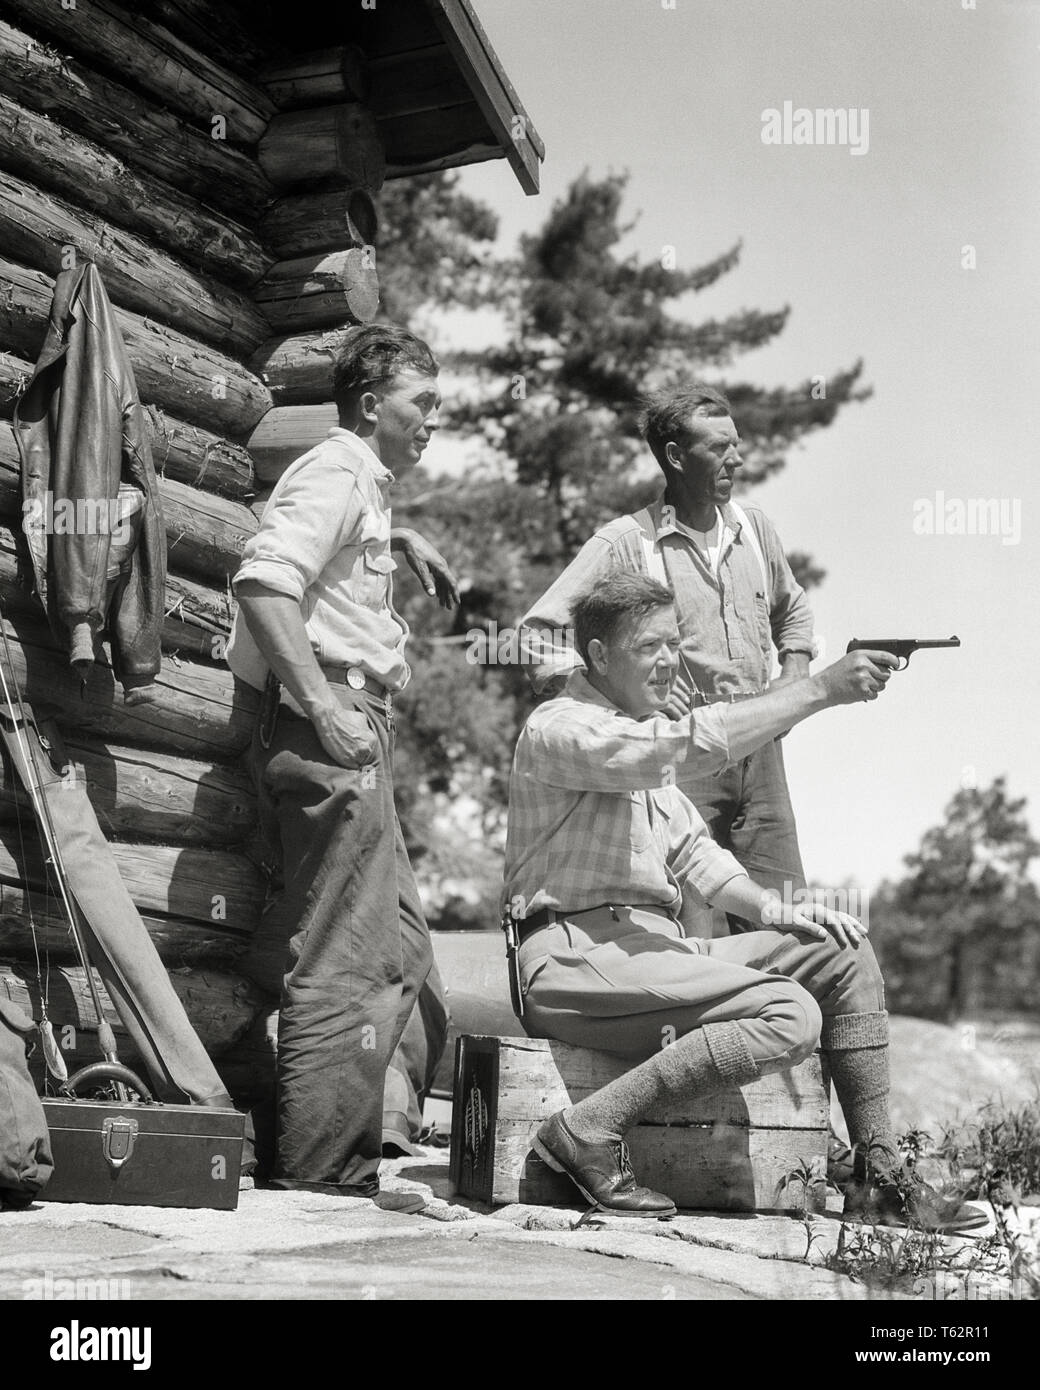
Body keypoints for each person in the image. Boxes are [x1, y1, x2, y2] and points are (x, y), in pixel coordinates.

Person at [504, 573, 981, 1231]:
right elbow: (675, 750)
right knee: (790, 1013)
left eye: (675, 644)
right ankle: (589, 1128)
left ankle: (877, 1178)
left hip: (648, 950)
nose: (670, 661)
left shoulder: (637, 739)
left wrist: (776, 911)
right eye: (650, 647)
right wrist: (816, 689)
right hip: (572, 958)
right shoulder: (560, 728)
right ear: (600, 655)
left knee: (840, 951)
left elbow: (699, 858)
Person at [226, 323, 457, 1209]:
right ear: (371, 403)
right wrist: (322, 704)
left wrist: (400, 543)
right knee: (346, 952)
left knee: (402, 947)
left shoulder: (364, 484)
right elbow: (264, 580)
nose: (433, 420)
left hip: (357, 720)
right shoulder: (334, 467)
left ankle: (360, 1133)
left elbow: (327, 566)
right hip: (332, 720)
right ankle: (319, 1171)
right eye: (421, 403)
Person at [520, 384, 815, 925]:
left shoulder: (755, 531)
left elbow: (792, 613)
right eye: (720, 447)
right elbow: (537, 636)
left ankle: (791, 1006)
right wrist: (621, 707)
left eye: (737, 444)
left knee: (786, 920)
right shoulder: (625, 543)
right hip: (680, 757)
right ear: (675, 457)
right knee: (696, 925)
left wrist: (792, 677)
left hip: (761, 751)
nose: (738, 458)